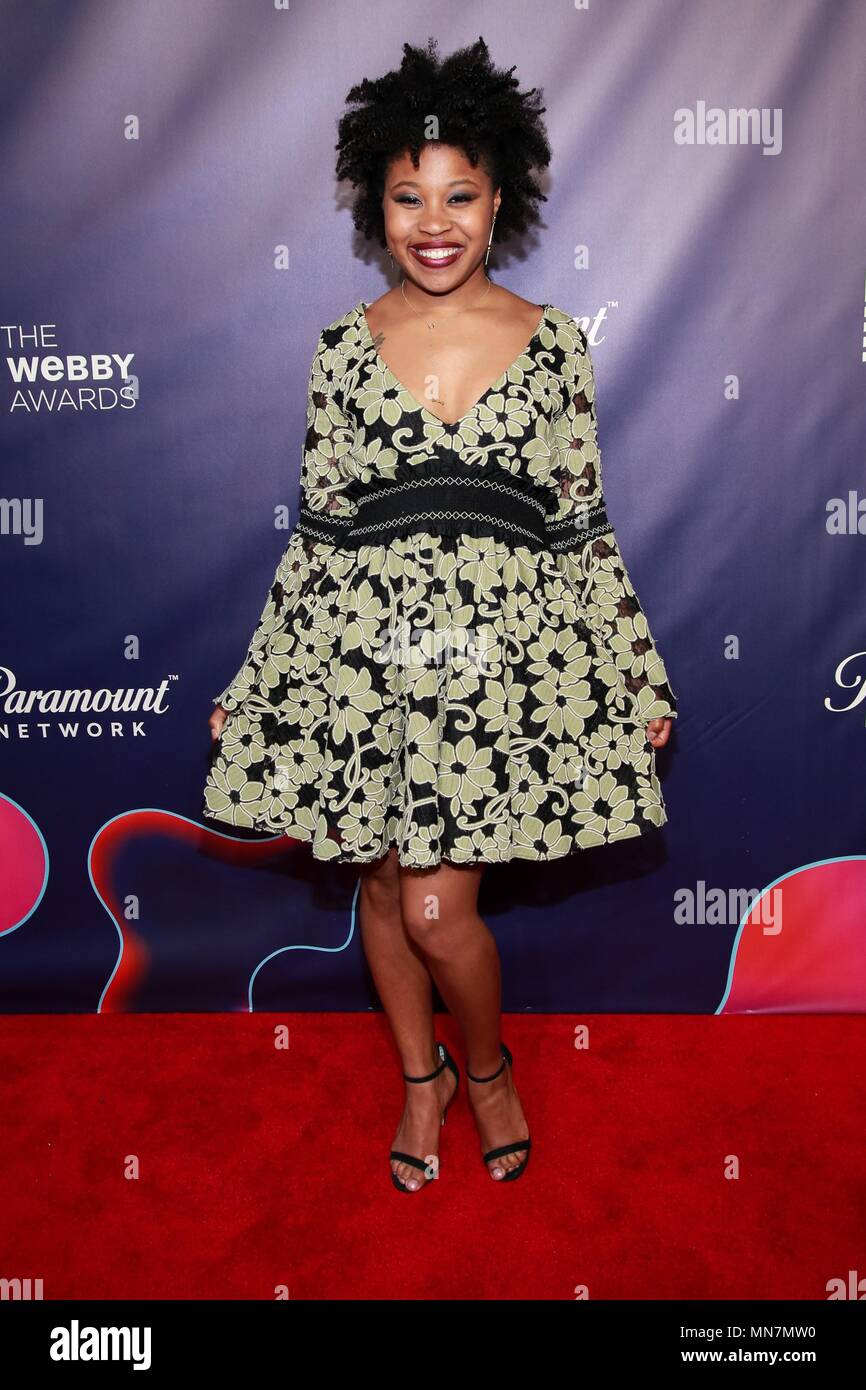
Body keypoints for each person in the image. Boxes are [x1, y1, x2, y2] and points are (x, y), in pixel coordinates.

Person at [203, 36, 678, 1192]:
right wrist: (258, 684)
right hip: (364, 662)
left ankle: (486, 1066)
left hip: (493, 674)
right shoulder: (339, 352)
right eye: (407, 195)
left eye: (458, 194)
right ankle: (419, 1080)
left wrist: (635, 671)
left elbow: (579, 527)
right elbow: (315, 535)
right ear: (376, 200)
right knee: (378, 882)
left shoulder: (555, 342)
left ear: (497, 196)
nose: (432, 220)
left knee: (434, 905)